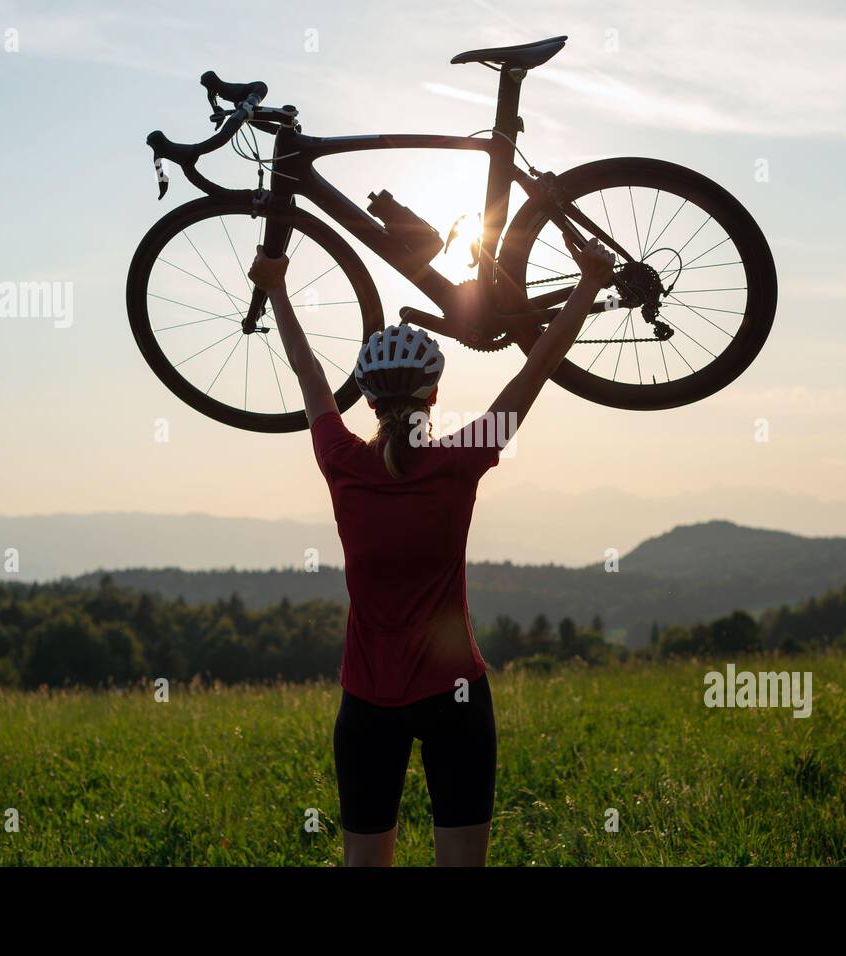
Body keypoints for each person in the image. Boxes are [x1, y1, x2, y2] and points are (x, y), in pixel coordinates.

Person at [248, 236, 616, 866]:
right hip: (457, 696)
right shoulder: (459, 461)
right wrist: (588, 285)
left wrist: (277, 288)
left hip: (366, 700)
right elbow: (536, 368)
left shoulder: (342, 463)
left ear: (364, 397)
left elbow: (309, 376)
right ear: (434, 395)